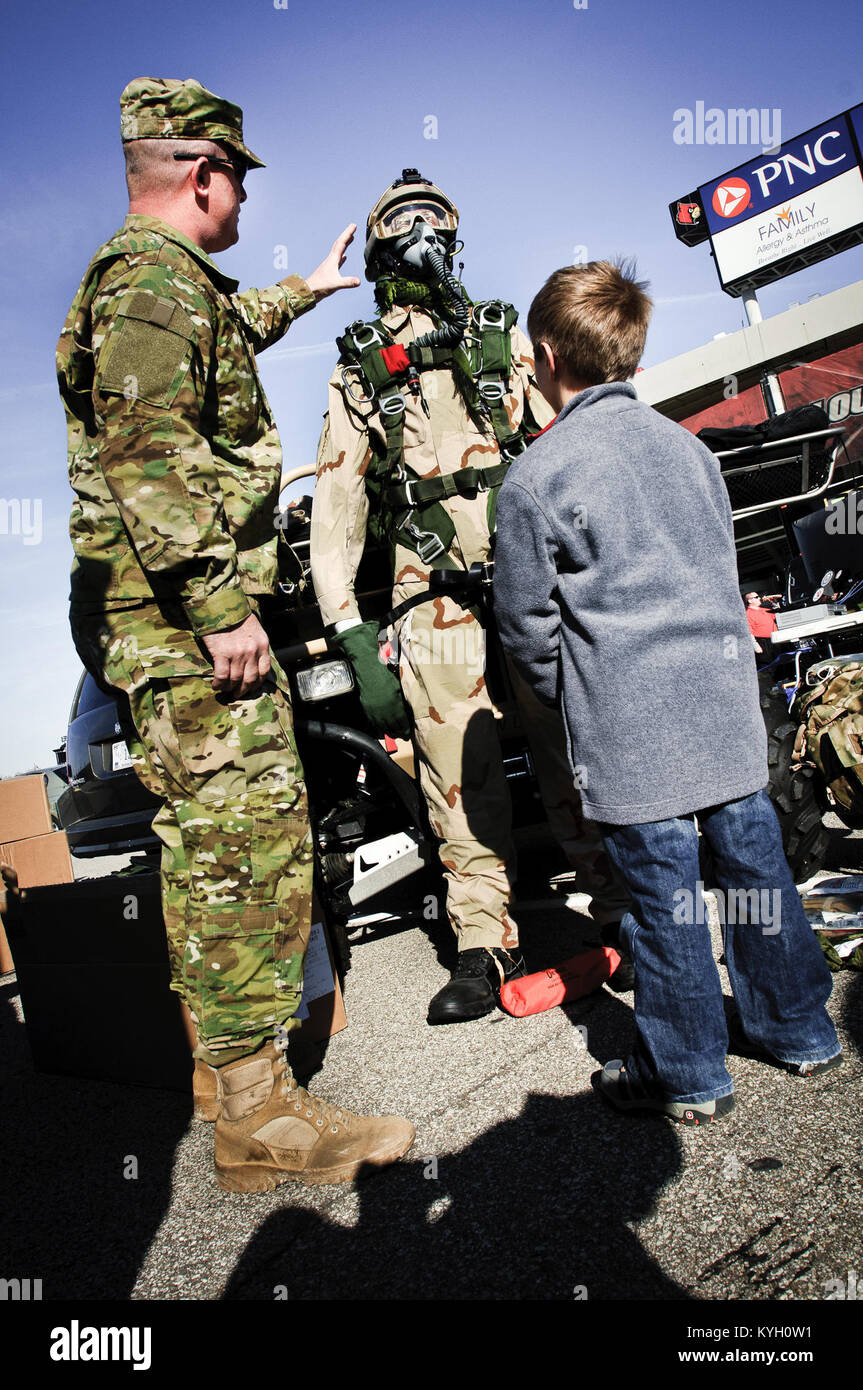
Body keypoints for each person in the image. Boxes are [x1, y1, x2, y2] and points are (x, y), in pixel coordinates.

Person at [56, 77, 414, 1191]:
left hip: (175, 628)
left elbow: (228, 327)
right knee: (231, 858)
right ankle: (257, 1122)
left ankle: (249, 1091)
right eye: (238, 181)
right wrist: (218, 607)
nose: (246, 202)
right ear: (202, 175)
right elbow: (146, 458)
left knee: (246, 844)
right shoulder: (150, 288)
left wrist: (304, 288)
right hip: (184, 633)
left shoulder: (169, 290)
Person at [493, 260, 841, 1126]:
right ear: (631, 351)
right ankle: (800, 1031)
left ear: (544, 354)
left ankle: (688, 1075)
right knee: (758, 872)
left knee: (664, 899)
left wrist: (562, 706)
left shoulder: (536, 479)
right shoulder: (690, 450)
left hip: (628, 723)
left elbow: (525, 632)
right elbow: (721, 576)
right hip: (722, 711)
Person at [310, 170, 631, 1025]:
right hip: (431, 603)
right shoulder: (357, 371)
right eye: (402, 220)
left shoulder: (505, 337)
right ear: (381, 246)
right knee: (459, 779)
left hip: (534, 582)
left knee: (573, 749)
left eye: (432, 218)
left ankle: (619, 914)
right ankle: (483, 943)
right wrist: (348, 631)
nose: (419, 230)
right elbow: (338, 511)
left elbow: (570, 448)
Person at [744, 590, 778, 657]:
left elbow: (777, 616)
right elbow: (749, 632)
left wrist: (773, 603)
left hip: (776, 639)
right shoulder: (748, 614)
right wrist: (755, 645)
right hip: (764, 643)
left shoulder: (764, 610)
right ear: (750, 601)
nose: (759, 598)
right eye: (756, 597)